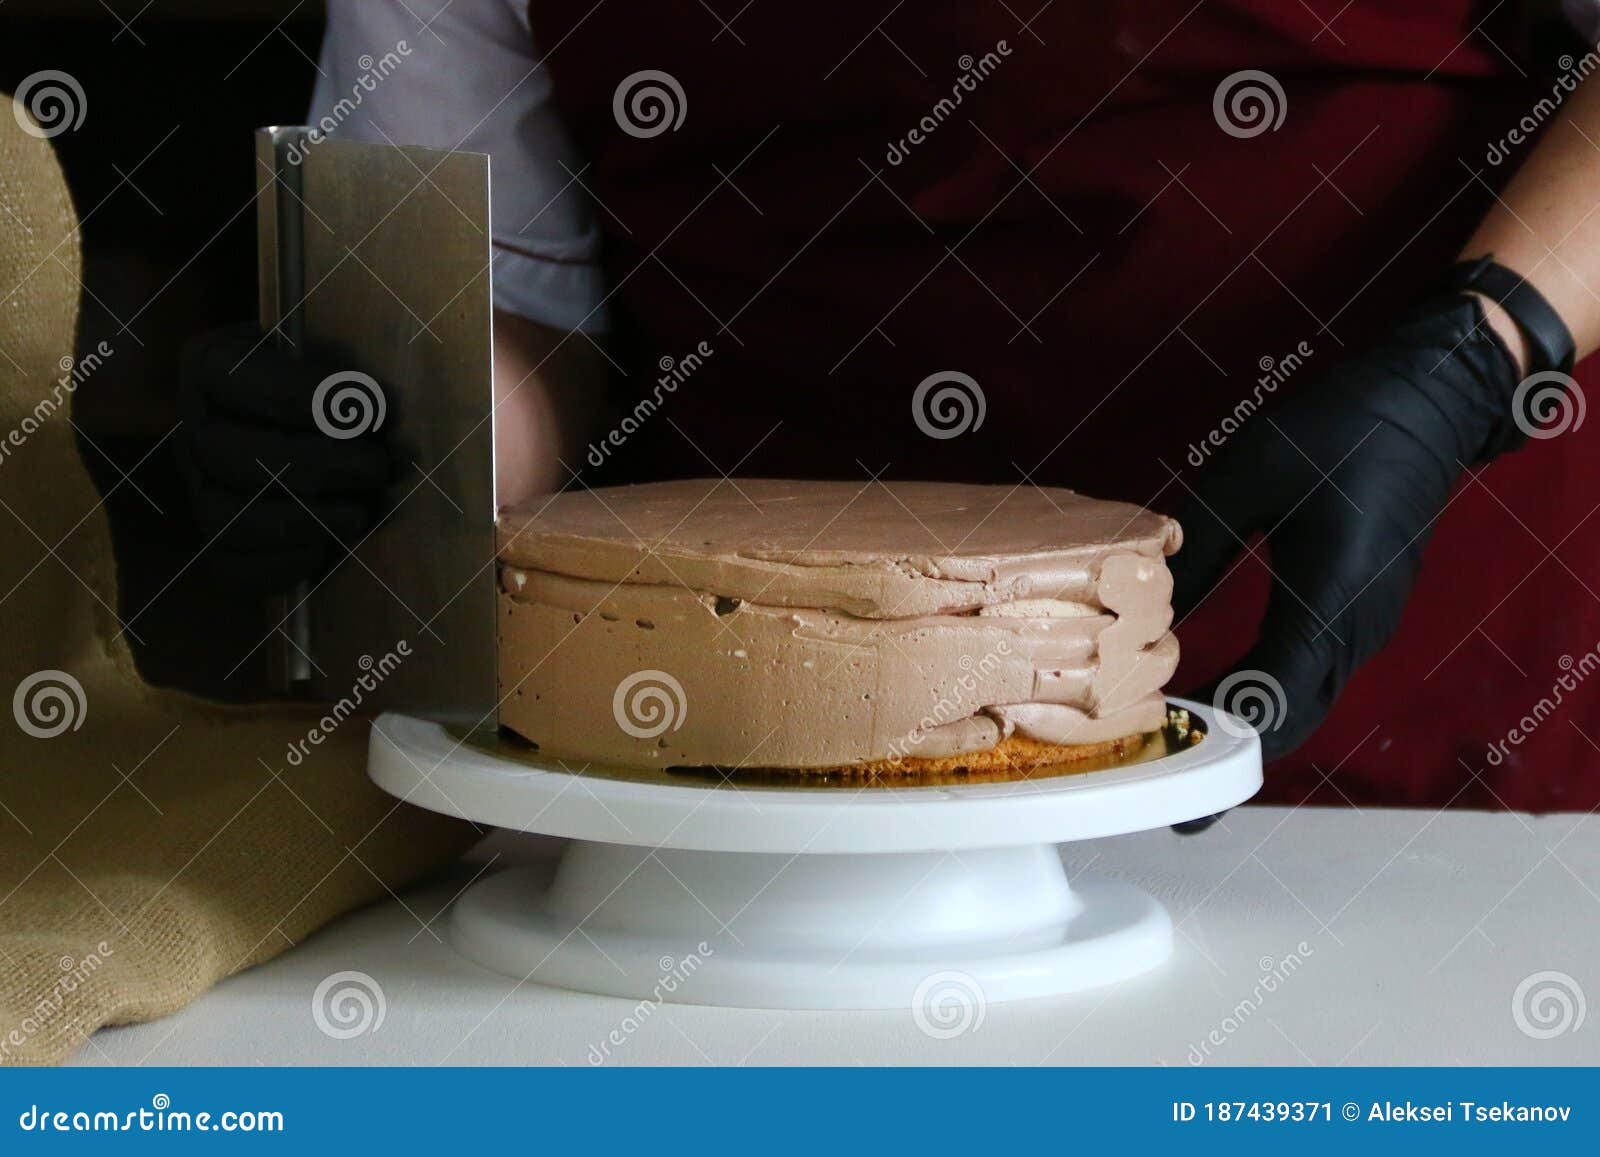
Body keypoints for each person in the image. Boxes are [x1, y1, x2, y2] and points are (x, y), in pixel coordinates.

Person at [180, 1, 1600, 812]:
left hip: (1428, 718)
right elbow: (527, 311)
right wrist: (399, 441)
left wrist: (1486, 346)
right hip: (755, 781)